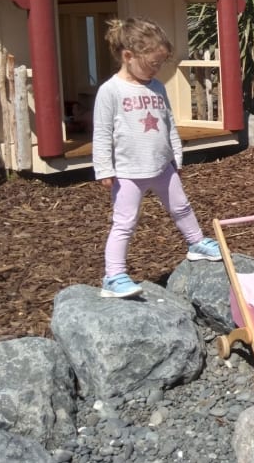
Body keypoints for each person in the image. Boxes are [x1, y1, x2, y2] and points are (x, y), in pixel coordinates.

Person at [93, 18, 222, 299]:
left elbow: (168, 123)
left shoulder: (157, 87)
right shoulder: (111, 91)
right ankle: (113, 276)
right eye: (152, 63)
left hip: (163, 166)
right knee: (124, 223)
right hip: (128, 171)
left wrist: (176, 155)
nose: (157, 69)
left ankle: (196, 243)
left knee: (182, 207)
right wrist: (103, 168)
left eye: (160, 63)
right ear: (128, 56)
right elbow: (102, 133)